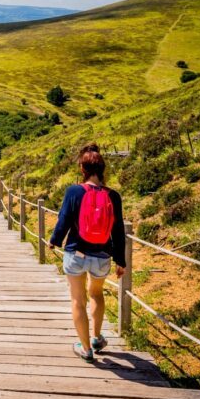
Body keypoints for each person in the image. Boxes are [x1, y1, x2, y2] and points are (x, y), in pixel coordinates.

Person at [49, 143, 127, 362]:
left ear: (82, 170)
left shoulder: (74, 191)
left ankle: (85, 349)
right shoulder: (114, 196)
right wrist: (121, 261)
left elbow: (63, 220)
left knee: (77, 300)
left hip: (75, 254)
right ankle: (96, 337)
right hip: (102, 255)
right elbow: (118, 231)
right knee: (96, 294)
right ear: (103, 169)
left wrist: (54, 241)